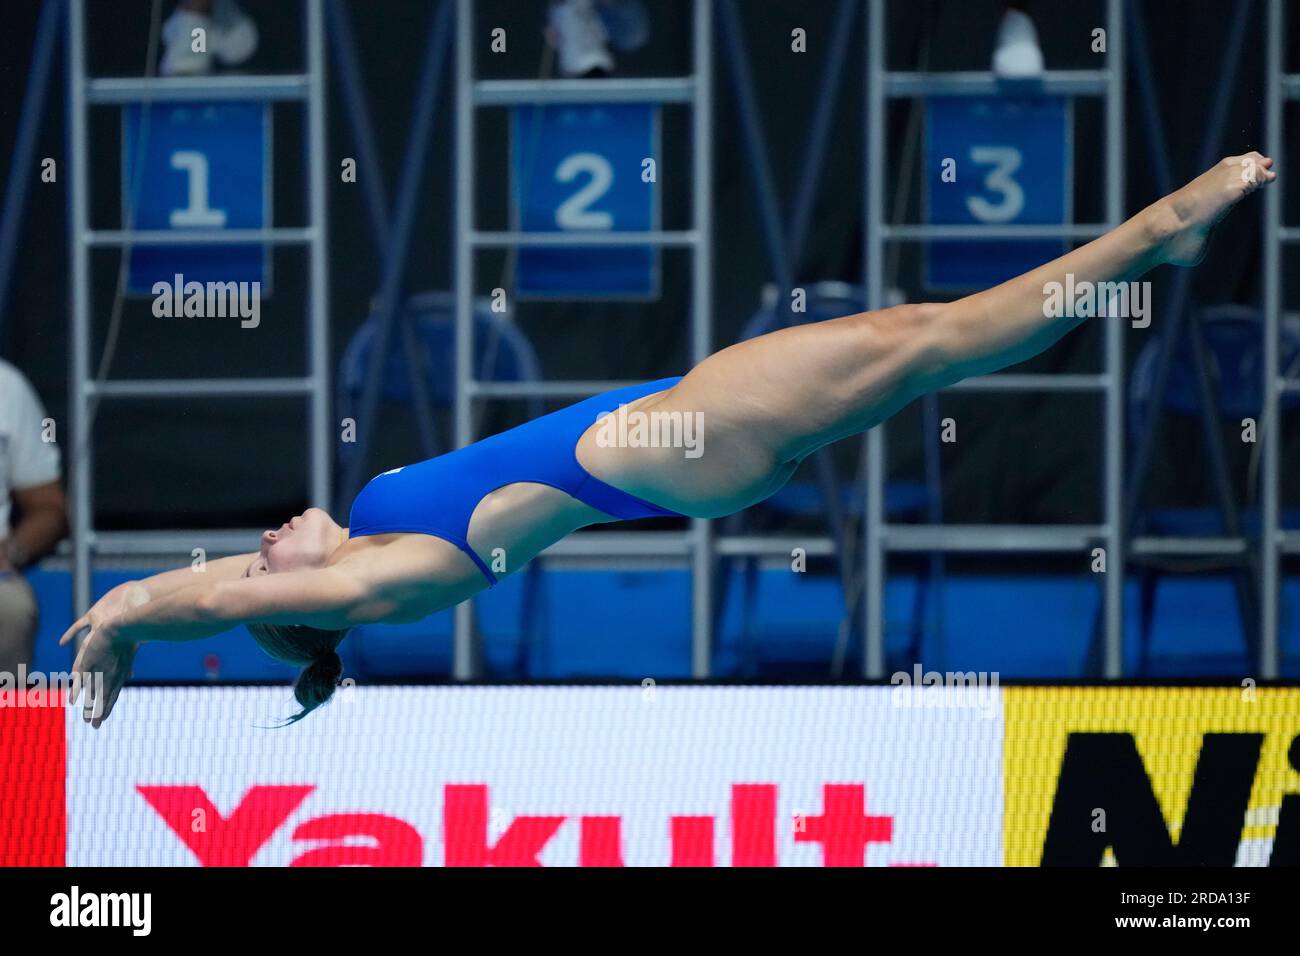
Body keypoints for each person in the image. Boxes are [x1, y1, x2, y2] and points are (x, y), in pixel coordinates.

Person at [64, 153, 1276, 725]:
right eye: (274, 552)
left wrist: (131, 596)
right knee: (939, 341)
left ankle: (1150, 245)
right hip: (687, 441)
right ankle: (1157, 236)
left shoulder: (362, 543)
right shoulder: (388, 578)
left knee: (926, 338)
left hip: (676, 424)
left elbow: (231, 586)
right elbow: (232, 604)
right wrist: (128, 615)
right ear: (316, 596)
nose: (266, 533)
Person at [0, 360, 68, 674]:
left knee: (11, 609)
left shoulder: (7, 385)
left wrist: (11, 551)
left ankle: (9, 723)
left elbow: (48, 507)